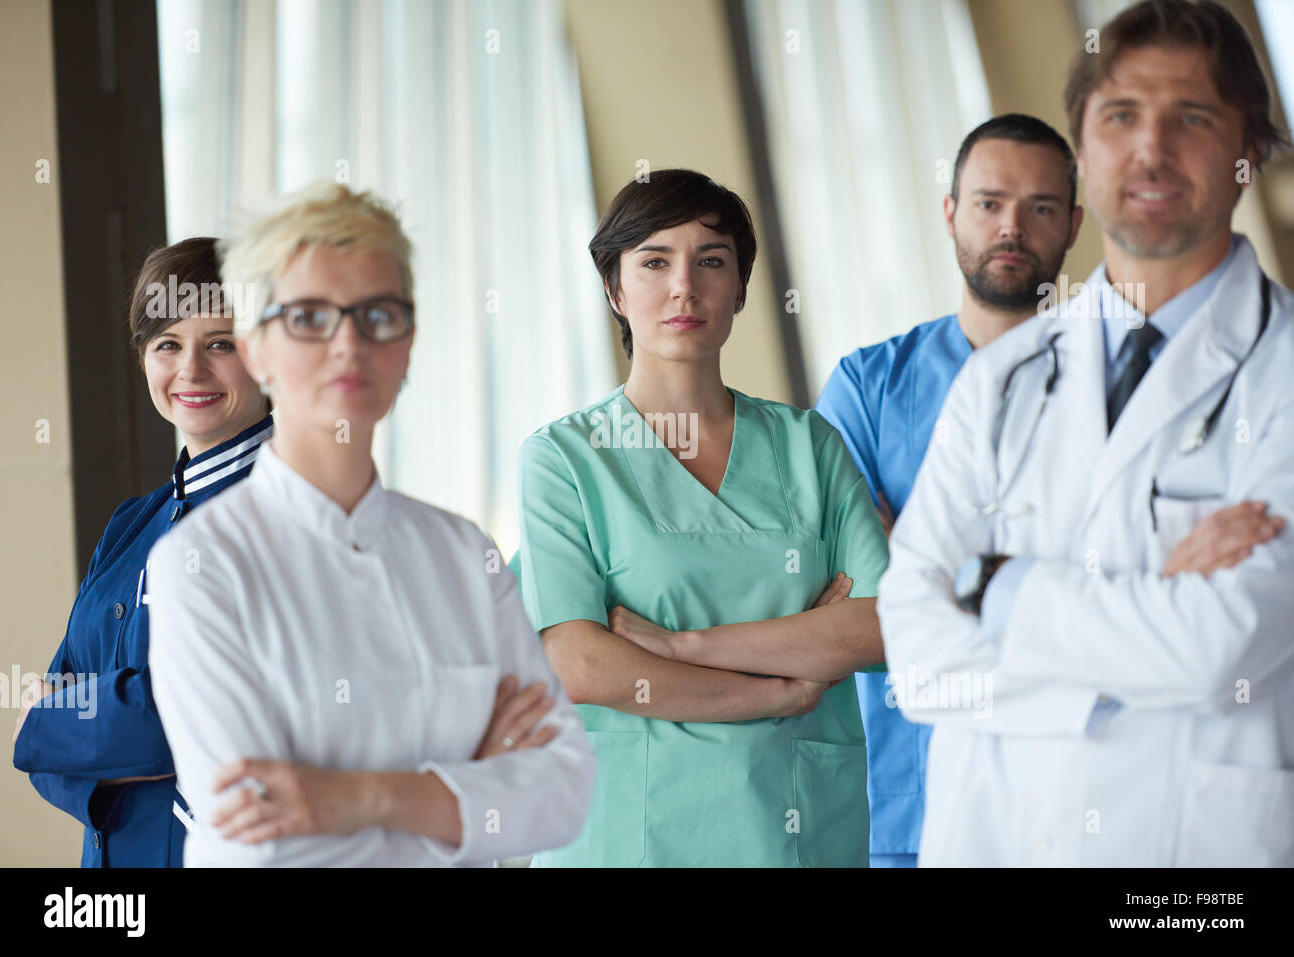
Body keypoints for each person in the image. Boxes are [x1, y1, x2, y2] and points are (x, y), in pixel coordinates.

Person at [877, 0, 1293, 866]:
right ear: (1085, 147)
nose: (1151, 148)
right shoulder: (1000, 380)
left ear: (1249, 149)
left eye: (1192, 116)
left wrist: (998, 588)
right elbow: (915, 654)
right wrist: (1140, 626)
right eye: (1120, 116)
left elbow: (1218, 645)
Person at [146, 182, 596, 866]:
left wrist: (360, 797)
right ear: (256, 347)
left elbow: (564, 791)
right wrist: (472, 785)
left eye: (377, 314)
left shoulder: (462, 552)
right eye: (308, 317)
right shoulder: (202, 563)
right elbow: (265, 846)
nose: (348, 343)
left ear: (408, 343)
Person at [515, 169, 888, 866]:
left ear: (741, 288)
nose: (684, 286)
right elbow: (581, 663)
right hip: (628, 834)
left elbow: (879, 622)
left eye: (711, 260)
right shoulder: (563, 459)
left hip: (794, 829)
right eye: (655, 261)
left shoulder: (809, 447)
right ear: (615, 290)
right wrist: (785, 686)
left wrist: (685, 648)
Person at [816, 113, 1084, 867]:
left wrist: (922, 554)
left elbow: (1116, 571)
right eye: (989, 202)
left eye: (1041, 207)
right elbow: (853, 588)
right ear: (950, 214)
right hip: (901, 794)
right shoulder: (869, 386)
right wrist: (1015, 578)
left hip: (1072, 785)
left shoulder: (1112, 387)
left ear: (1073, 225)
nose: (1013, 227)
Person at [12, 238, 273, 866]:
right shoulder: (132, 523)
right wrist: (75, 731)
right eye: (167, 345)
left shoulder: (285, 516)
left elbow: (188, 718)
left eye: (219, 343)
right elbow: (37, 730)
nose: (190, 371)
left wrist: (66, 727)